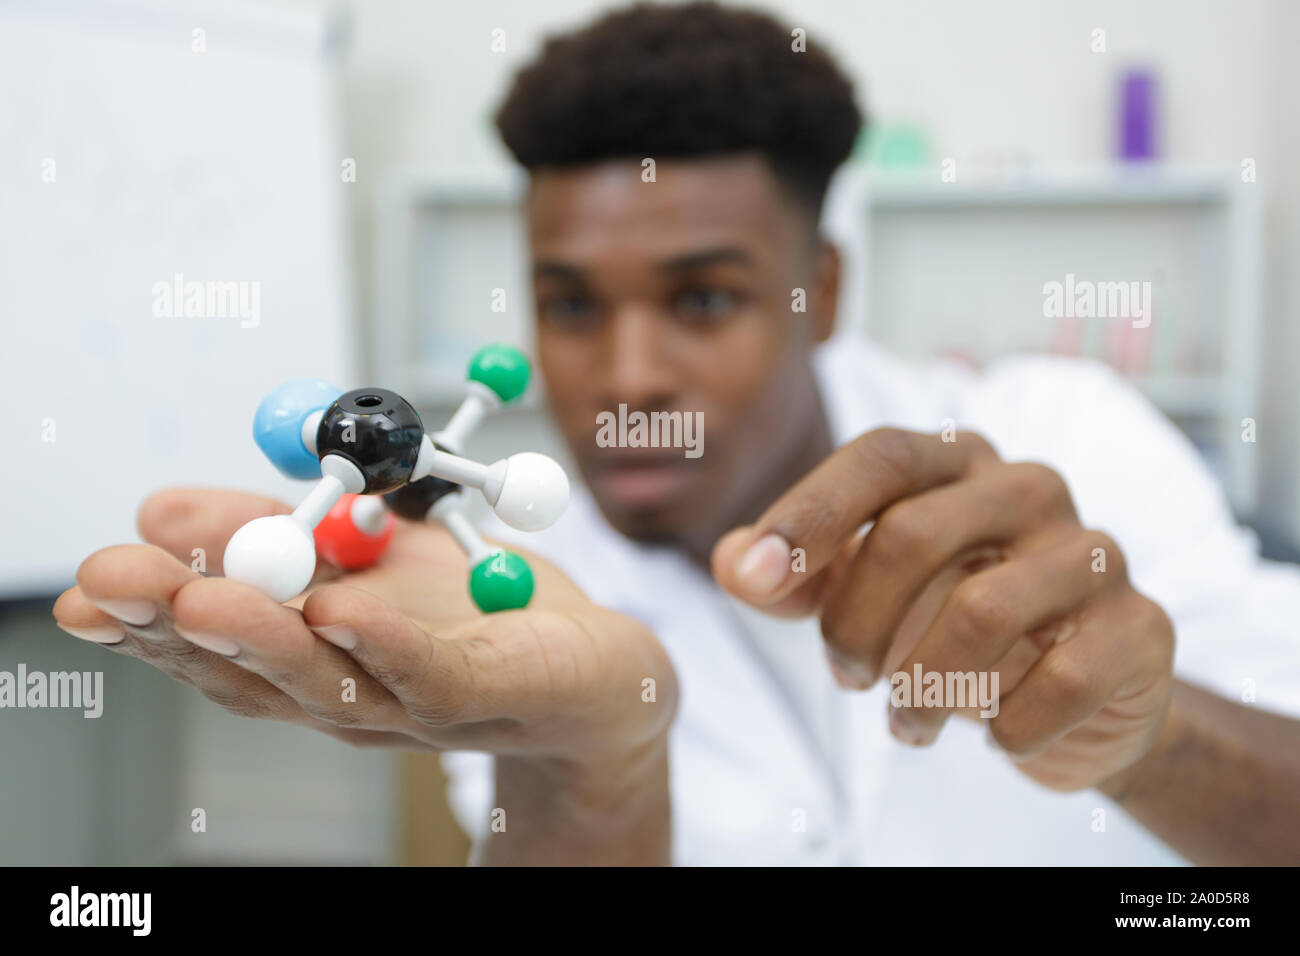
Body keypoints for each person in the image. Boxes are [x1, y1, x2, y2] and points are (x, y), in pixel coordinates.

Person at [53, 2, 1300, 866]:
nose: (626, 373)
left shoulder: (1063, 441)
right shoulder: (499, 581)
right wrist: (590, 759)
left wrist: (1147, 732)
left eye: (703, 297)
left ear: (822, 286)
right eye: (571, 303)